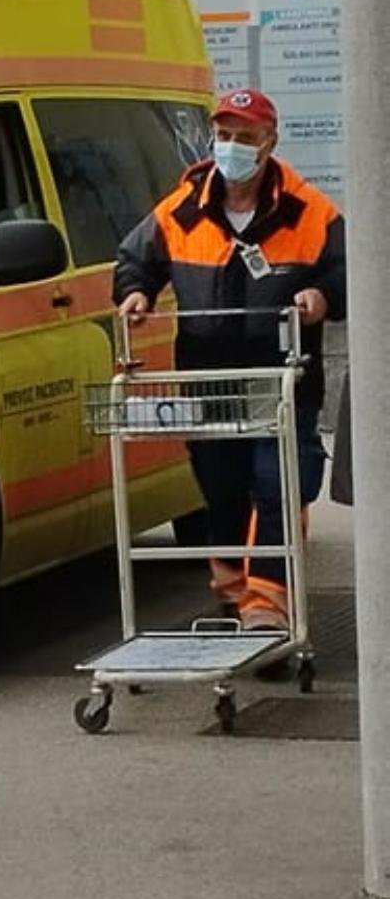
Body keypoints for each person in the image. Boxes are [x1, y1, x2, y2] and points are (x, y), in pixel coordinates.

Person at [115, 87, 345, 631]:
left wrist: (323, 298)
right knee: (221, 487)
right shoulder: (183, 209)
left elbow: (344, 268)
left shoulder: (308, 211)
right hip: (210, 376)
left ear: (270, 142)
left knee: (276, 481)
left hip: (281, 375)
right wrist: (136, 293)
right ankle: (235, 591)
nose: (231, 146)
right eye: (224, 136)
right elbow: (135, 259)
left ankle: (266, 604)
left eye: (244, 137)